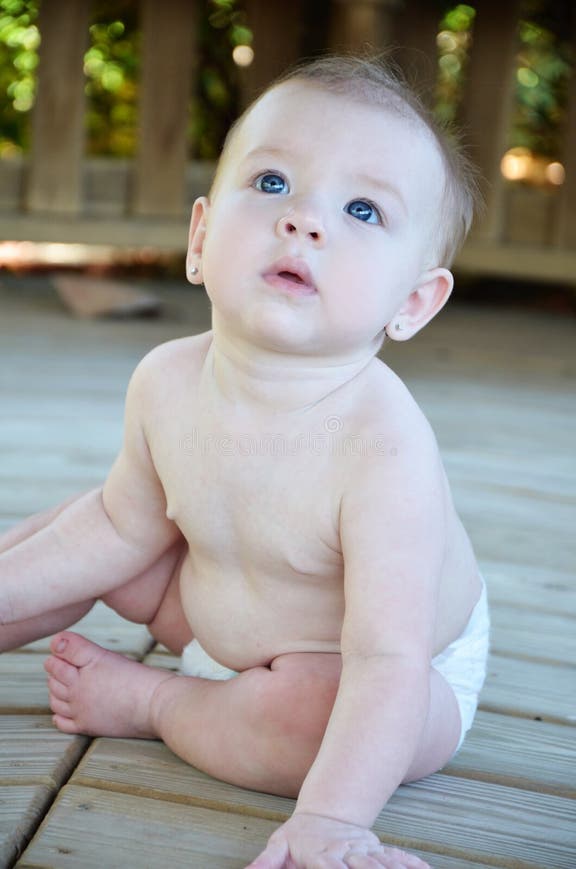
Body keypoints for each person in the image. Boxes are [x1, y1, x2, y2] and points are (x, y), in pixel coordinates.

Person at [0, 56, 489, 868]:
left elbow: (383, 661)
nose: (304, 220)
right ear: (199, 238)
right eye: (271, 185)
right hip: (212, 603)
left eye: (362, 208)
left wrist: (332, 818)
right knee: (96, 525)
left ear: (412, 303)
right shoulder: (165, 378)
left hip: (387, 671)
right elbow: (118, 529)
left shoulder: (383, 445)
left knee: (313, 712)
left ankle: (156, 701)